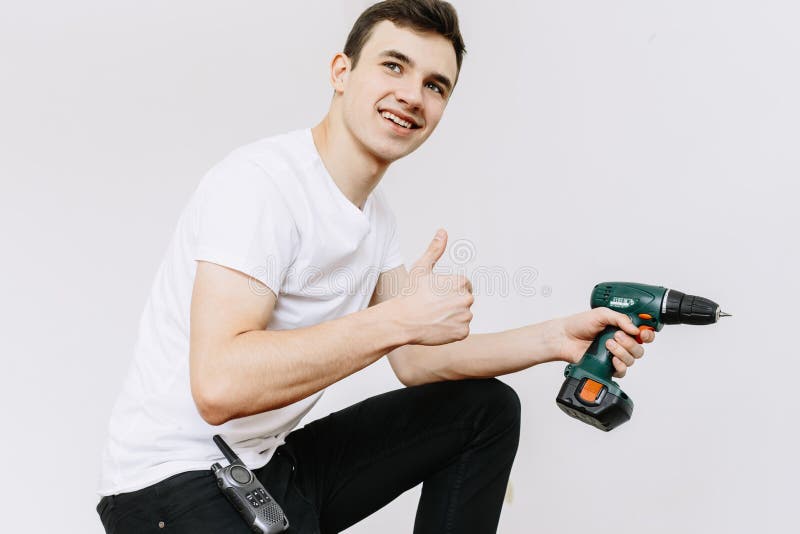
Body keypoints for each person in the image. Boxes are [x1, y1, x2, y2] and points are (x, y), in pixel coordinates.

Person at [96, 1, 655, 533]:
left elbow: (415, 362)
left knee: (484, 410)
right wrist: (398, 320)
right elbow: (219, 386)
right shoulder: (261, 186)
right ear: (342, 71)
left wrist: (556, 337)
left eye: (435, 86)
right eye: (394, 66)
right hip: (170, 489)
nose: (412, 95)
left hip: (263, 469)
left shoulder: (375, 219)